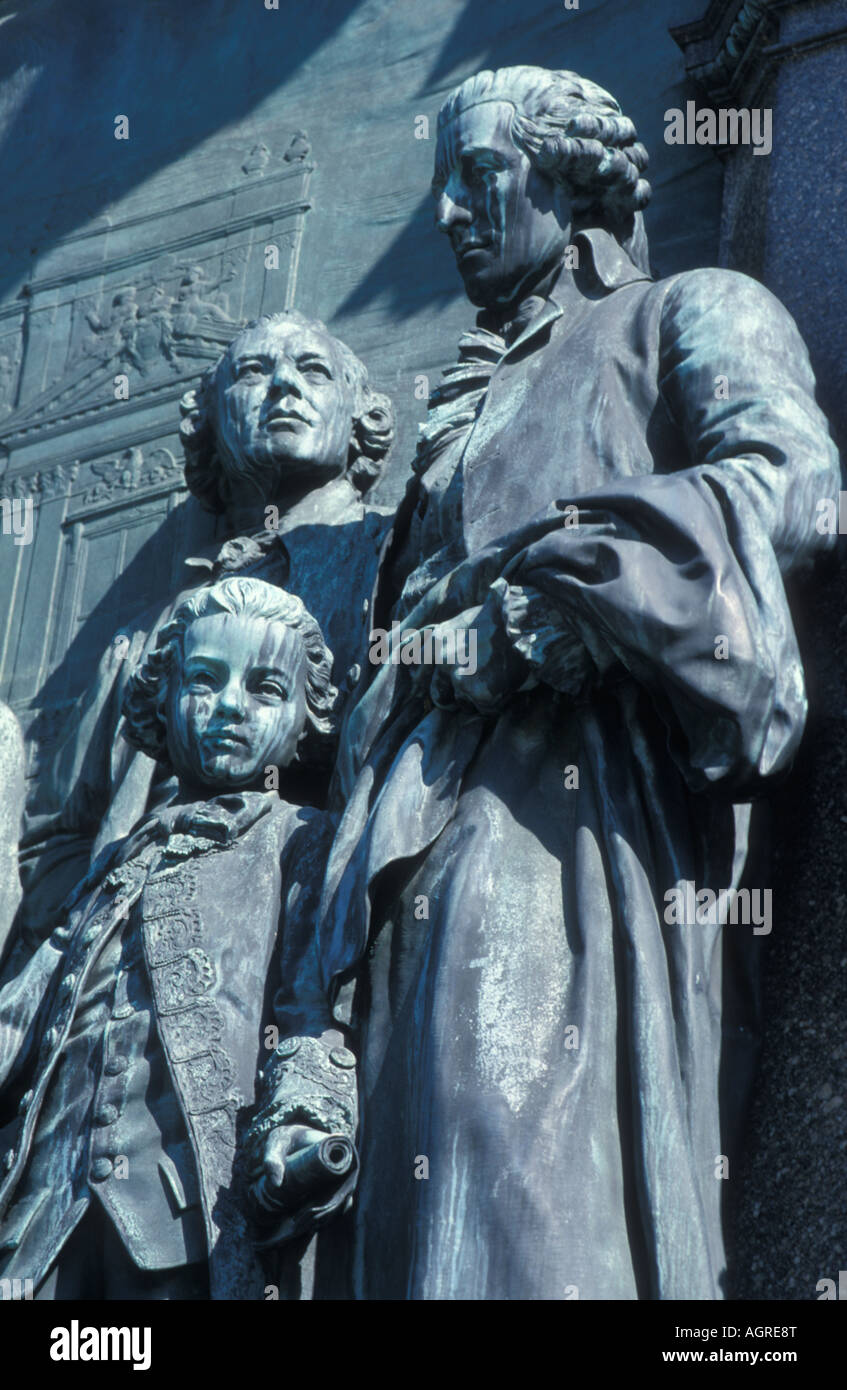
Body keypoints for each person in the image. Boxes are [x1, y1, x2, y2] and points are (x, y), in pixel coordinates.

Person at [314, 66, 841, 1299]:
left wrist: (579, 602)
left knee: (513, 1169)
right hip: (400, 830)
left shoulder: (687, 310)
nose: (446, 210)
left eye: (475, 175)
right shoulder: (460, 405)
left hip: (567, 804)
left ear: (566, 176)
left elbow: (798, 486)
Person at [0, 577, 352, 1300]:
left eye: (264, 689)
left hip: (183, 1223)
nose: (230, 705)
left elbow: (312, 1012)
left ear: (305, 717)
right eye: (203, 679)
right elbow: (27, 1009)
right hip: (45, 1219)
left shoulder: (303, 844)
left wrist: (304, 1122)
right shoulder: (115, 863)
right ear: (160, 697)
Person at [13, 311, 394, 948]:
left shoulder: (400, 563)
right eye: (252, 371)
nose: (283, 386)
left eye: (312, 370)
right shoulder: (144, 640)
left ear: (358, 417)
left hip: (323, 935)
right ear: (211, 421)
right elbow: (58, 837)